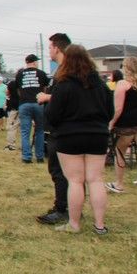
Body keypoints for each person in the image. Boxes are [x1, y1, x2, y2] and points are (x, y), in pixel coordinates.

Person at [43, 44, 113, 234]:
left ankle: (74, 224)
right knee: (96, 180)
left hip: (69, 136)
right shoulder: (100, 85)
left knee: (75, 180)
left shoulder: (63, 85)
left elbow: (52, 114)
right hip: (97, 134)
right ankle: (100, 225)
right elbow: (110, 110)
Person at [35, 33, 72, 225]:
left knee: (60, 170)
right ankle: (66, 205)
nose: (49, 50)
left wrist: (46, 97)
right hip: (58, 128)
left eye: (49, 47)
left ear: (57, 48)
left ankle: (63, 208)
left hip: (63, 129)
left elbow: (67, 96)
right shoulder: (62, 71)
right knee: (59, 170)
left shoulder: (66, 71)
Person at [106, 57, 137, 195]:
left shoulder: (123, 84)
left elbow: (118, 109)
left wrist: (111, 123)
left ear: (126, 68)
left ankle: (119, 184)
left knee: (120, 151)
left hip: (127, 123)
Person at [16, 54, 49, 164]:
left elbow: (18, 90)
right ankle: (39, 156)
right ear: (34, 62)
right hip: (38, 103)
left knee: (25, 132)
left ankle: (26, 157)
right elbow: (44, 89)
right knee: (40, 130)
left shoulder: (20, 74)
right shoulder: (42, 73)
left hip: (24, 104)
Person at [5, 75, 21, 151]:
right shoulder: (25, 83)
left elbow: (7, 93)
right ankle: (24, 145)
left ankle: (11, 145)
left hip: (14, 107)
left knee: (11, 126)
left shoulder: (12, 83)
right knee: (24, 128)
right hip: (24, 106)